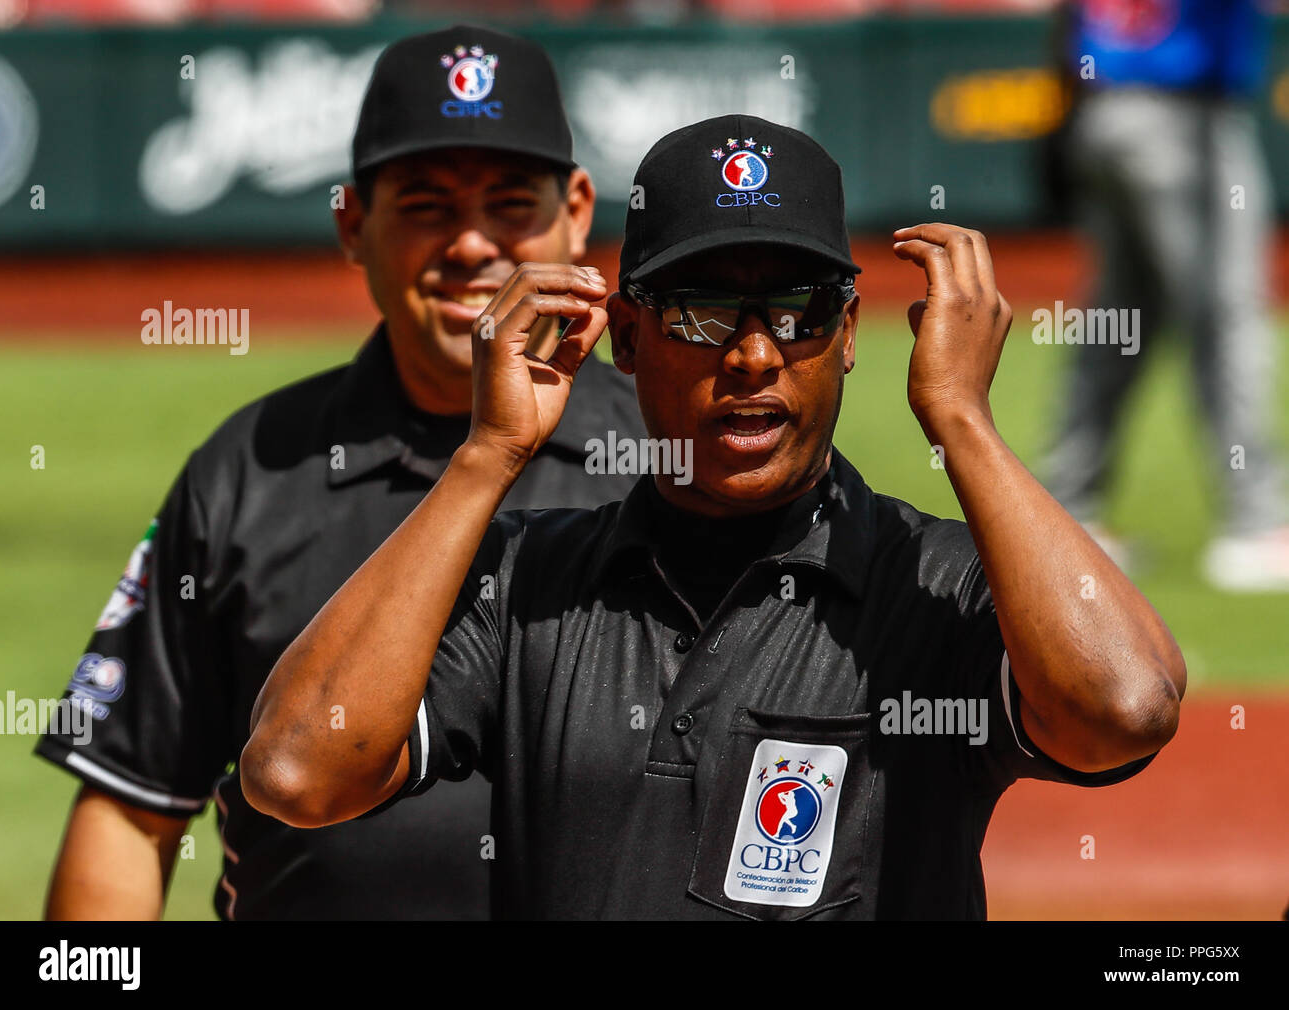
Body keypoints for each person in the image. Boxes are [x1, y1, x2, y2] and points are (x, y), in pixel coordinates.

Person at [242, 115, 1187, 919]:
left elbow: (1124, 709)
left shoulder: (933, 583)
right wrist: (483, 458)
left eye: (796, 310)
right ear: (625, 336)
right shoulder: (525, 587)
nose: (751, 356)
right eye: (700, 313)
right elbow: (296, 771)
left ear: (849, 337)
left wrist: (963, 424)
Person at [34, 25, 645, 920]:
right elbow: (131, 810)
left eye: (511, 203)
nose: (472, 245)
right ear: (353, 225)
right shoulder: (249, 469)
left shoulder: (666, 466)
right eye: (428, 205)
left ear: (579, 211)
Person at [1046, 0, 1289, 590]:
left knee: (1118, 326)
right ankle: (1257, 524)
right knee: (1223, 320)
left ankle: (1065, 514)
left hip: (1105, 113)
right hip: (1185, 125)